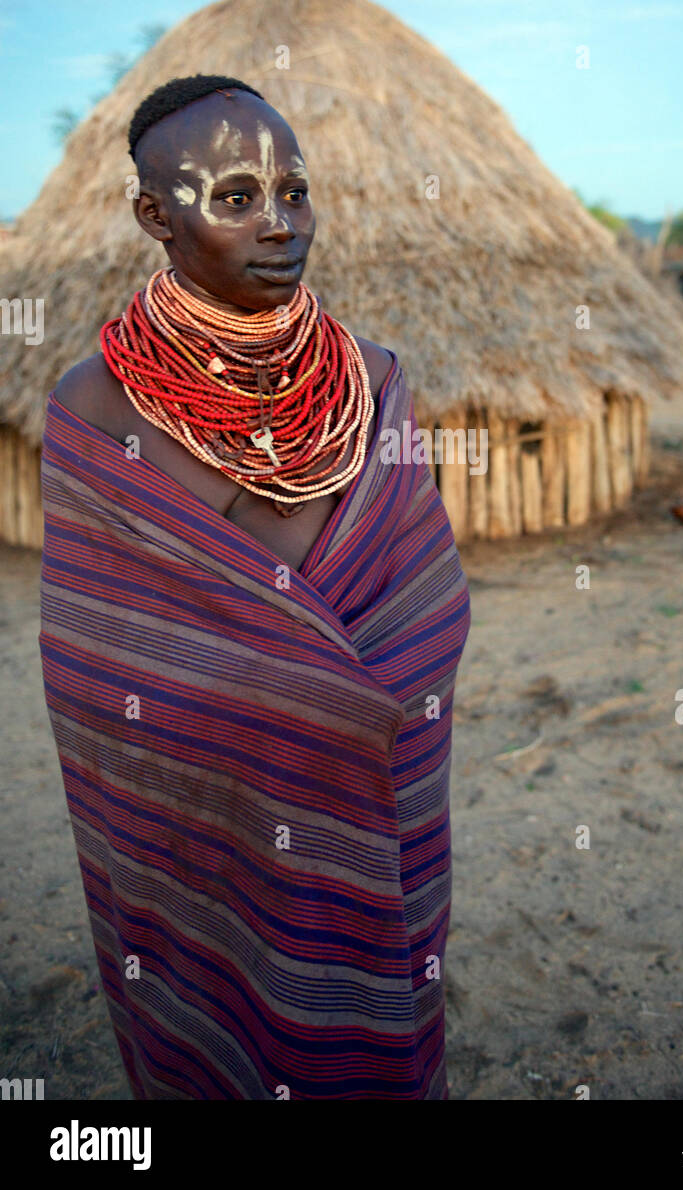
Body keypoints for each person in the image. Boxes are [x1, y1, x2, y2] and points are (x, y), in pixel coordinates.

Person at [41, 74, 471, 1099]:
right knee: (221, 1019)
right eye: (234, 198)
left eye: (295, 192)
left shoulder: (373, 377)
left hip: (375, 786)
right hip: (204, 817)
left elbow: (426, 596)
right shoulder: (97, 405)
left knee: (370, 1010)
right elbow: (100, 665)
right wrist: (273, 696)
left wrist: (342, 702)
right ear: (155, 215)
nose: (281, 225)